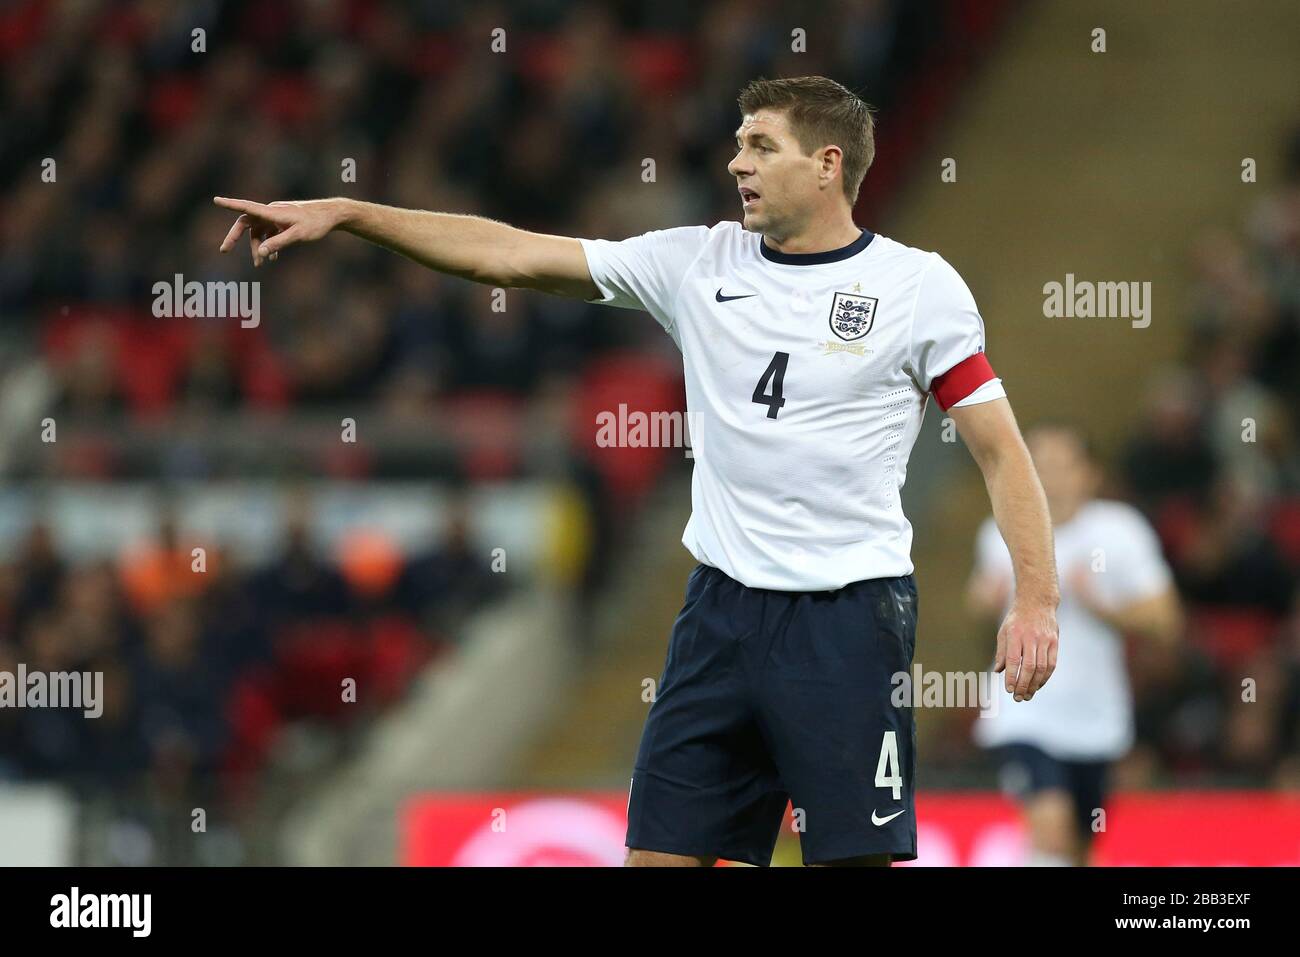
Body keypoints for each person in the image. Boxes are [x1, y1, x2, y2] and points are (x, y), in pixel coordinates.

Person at [213, 75, 1060, 867]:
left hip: (846, 622)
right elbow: (507, 255)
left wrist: (1035, 598)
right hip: (720, 615)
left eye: (762, 145)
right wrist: (351, 212)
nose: (737, 162)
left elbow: (998, 449)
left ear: (827, 163)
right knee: (654, 855)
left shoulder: (916, 288)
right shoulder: (697, 262)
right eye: (737, 143)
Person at [968, 423, 1182, 865]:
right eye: (1039, 463)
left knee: (1081, 847)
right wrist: (985, 601)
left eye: (1062, 465)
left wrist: (1102, 607)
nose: (1049, 475)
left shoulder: (1120, 531)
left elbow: (1166, 620)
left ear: (1090, 474)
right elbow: (978, 605)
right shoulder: (1001, 529)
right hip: (1024, 711)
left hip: (1095, 720)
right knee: (1050, 827)